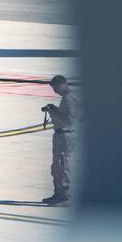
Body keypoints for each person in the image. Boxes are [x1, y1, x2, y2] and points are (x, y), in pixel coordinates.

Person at [41, 74, 79, 206]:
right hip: (60, 135)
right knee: (57, 166)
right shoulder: (66, 98)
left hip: (65, 136)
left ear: (63, 84)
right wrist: (55, 109)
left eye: (56, 88)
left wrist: (53, 112)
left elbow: (68, 120)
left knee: (62, 166)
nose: (55, 91)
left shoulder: (69, 99)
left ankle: (64, 197)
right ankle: (58, 194)